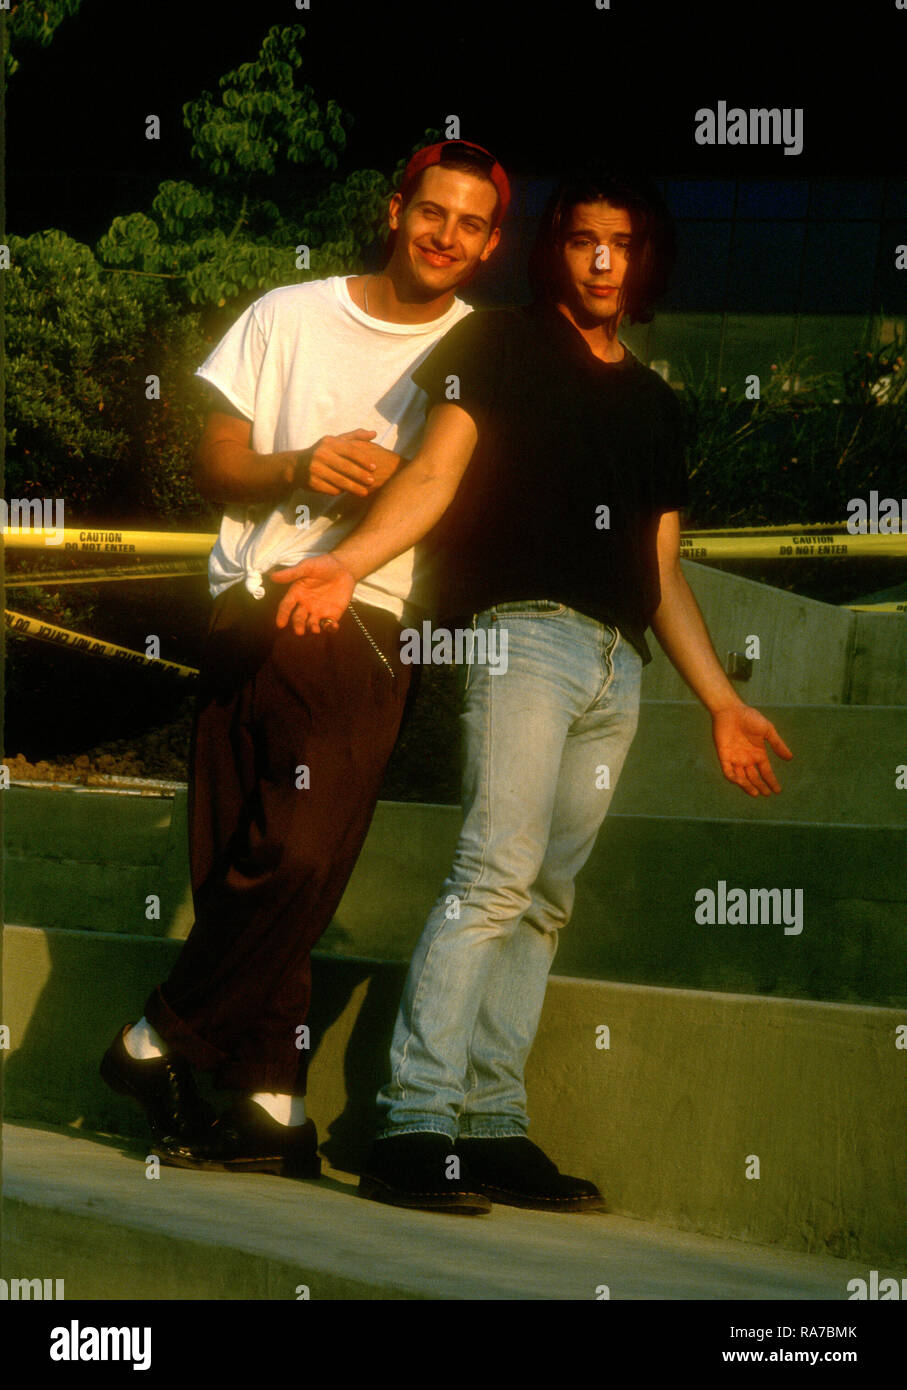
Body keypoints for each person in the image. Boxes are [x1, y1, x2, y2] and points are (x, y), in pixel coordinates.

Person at [278, 169, 794, 1213]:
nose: (602, 260)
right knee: (495, 874)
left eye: (624, 244)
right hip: (521, 640)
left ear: (646, 262)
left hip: (617, 668)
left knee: (546, 902)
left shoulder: (655, 404)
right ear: (552, 251)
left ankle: (489, 1121)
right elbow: (431, 474)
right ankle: (412, 1122)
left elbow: (659, 573)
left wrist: (721, 702)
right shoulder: (501, 346)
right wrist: (345, 560)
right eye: (581, 240)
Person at [99, 140, 508, 1179]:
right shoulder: (288, 311)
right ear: (394, 208)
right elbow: (213, 461)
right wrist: (297, 462)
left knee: (300, 852)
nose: (445, 235)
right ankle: (268, 1103)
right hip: (241, 599)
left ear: (490, 242)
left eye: (469, 223)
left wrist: (387, 498)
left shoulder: (486, 348)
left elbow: (460, 496)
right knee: (237, 850)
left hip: (360, 613)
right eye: (431, 211)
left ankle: (158, 1039)